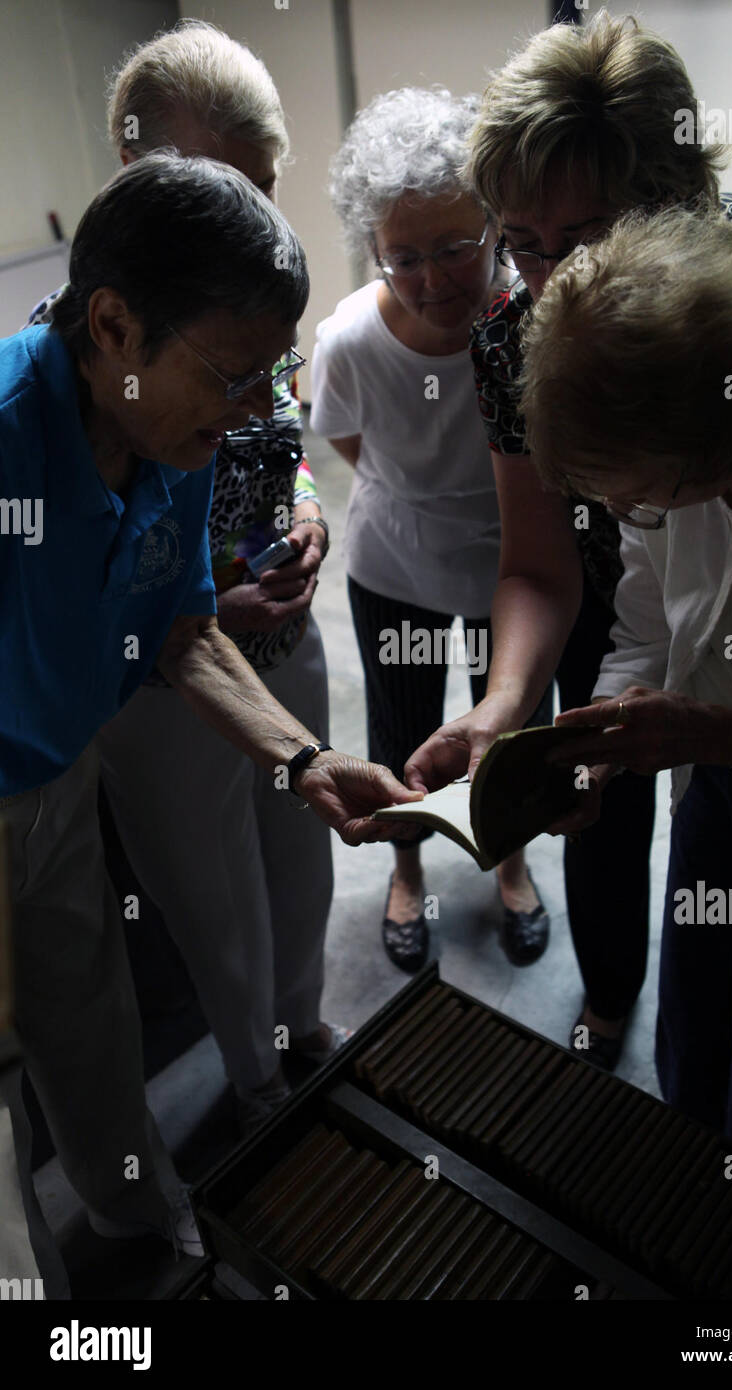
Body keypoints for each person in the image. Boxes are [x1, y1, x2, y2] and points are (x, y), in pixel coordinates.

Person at [406, 9, 732, 1068]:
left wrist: (726, 730)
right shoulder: (516, 337)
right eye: (517, 243)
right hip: (639, 614)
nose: (546, 283)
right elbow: (542, 562)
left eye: (581, 240)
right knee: (612, 817)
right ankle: (620, 1003)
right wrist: (505, 712)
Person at [0, 152, 419, 1272]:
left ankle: (139, 1224)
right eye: (232, 376)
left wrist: (303, 760)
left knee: (89, 1026)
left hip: (54, 776)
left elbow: (183, 629)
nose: (248, 417)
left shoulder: (167, 436)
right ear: (114, 326)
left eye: (264, 381)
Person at [26, 20, 342, 1134]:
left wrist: (302, 510)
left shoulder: (221, 347)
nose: (253, 221)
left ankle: (293, 1041)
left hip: (237, 662)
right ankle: (246, 1090)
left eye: (264, 187)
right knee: (204, 908)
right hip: (121, 722)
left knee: (288, 870)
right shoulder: (59, 397)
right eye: (222, 187)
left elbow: (280, 442)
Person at [518, 203, 732, 1165]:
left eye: (638, 495)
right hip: (716, 794)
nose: (629, 513)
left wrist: (716, 735)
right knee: (701, 1031)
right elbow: (642, 624)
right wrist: (605, 737)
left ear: (719, 451)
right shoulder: (677, 461)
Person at [311, 87, 553, 973]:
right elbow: (346, 441)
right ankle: (407, 874)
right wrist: (420, 489)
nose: (433, 279)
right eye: (402, 258)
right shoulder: (348, 341)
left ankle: (513, 864)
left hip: (516, 562)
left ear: (494, 222)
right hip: (398, 559)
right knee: (401, 725)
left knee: (516, 727)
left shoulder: (532, 324)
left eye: (457, 247)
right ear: (374, 251)